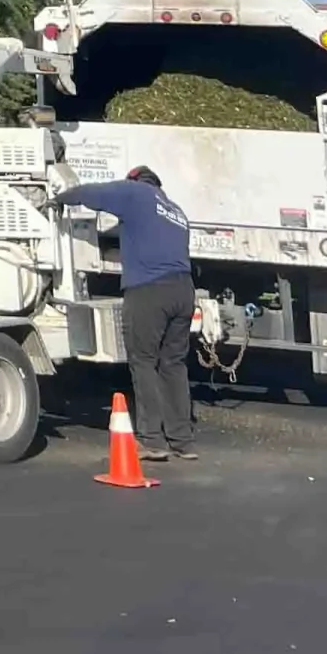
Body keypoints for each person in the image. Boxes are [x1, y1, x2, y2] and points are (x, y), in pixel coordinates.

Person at [54, 163, 198, 462]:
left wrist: (60, 197)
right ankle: (182, 441)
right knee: (174, 364)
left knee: (143, 361)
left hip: (149, 290)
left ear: (134, 180)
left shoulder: (135, 194)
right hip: (183, 291)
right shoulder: (176, 212)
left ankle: (152, 441)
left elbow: (95, 193)